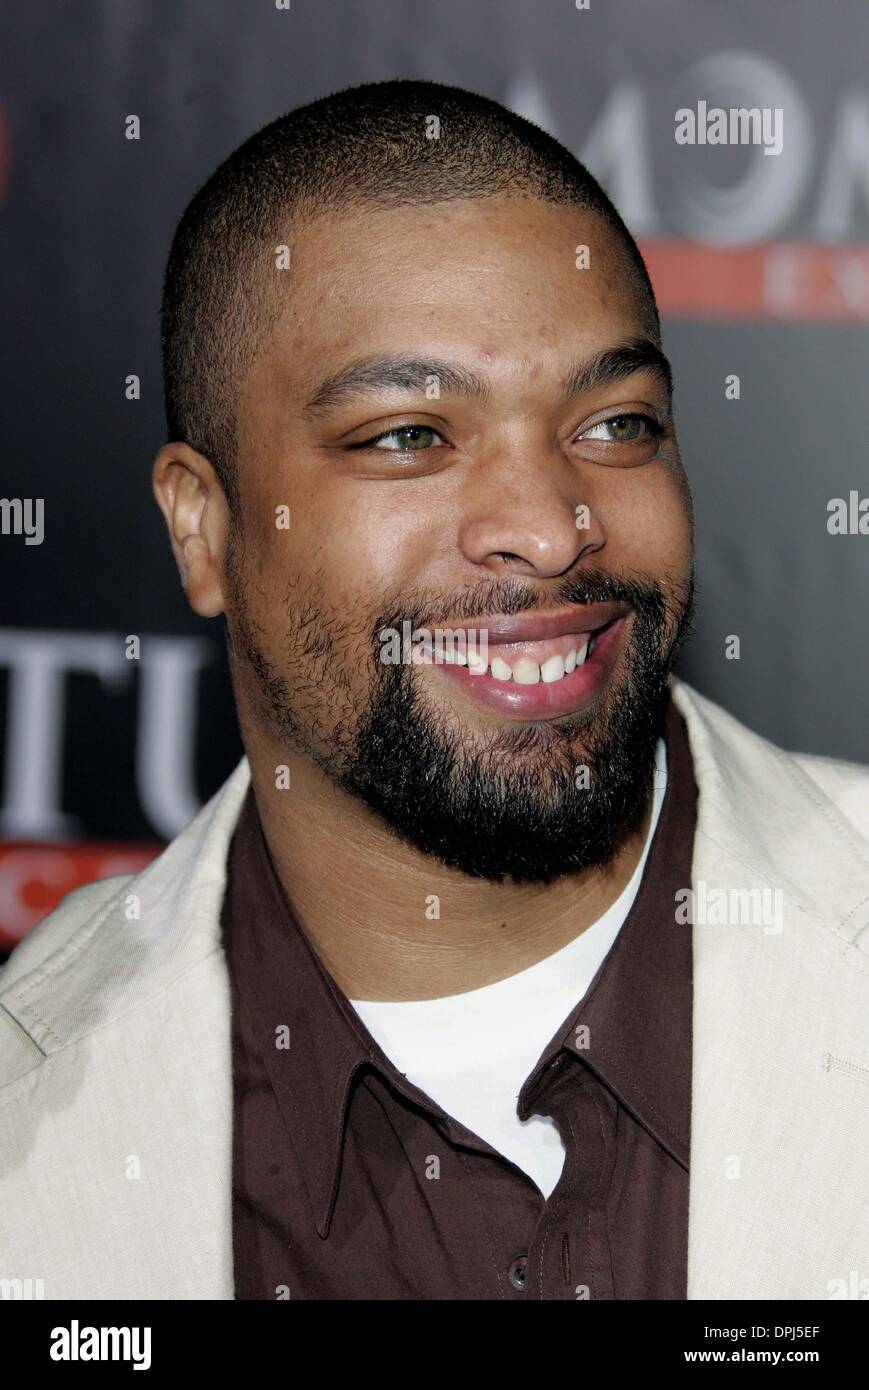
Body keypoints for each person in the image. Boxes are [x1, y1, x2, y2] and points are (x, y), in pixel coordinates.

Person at [1, 79, 867, 1301]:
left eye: (616, 423)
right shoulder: (29, 1127)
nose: (550, 528)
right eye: (409, 435)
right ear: (202, 529)